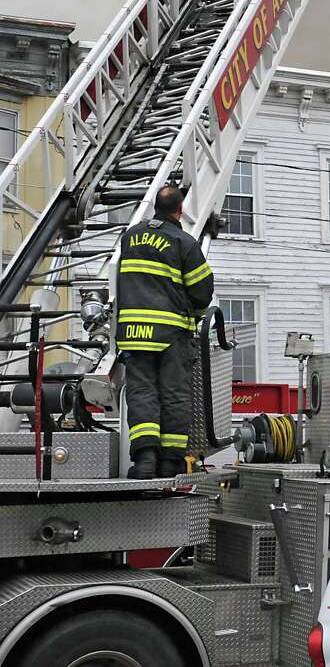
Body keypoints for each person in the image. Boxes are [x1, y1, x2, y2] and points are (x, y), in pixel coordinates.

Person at [117, 185, 214, 478]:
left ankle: (145, 461)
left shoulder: (130, 237)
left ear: (154, 208)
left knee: (142, 393)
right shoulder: (183, 242)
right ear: (180, 210)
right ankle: (170, 463)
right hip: (171, 334)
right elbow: (202, 292)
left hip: (134, 332)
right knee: (173, 394)